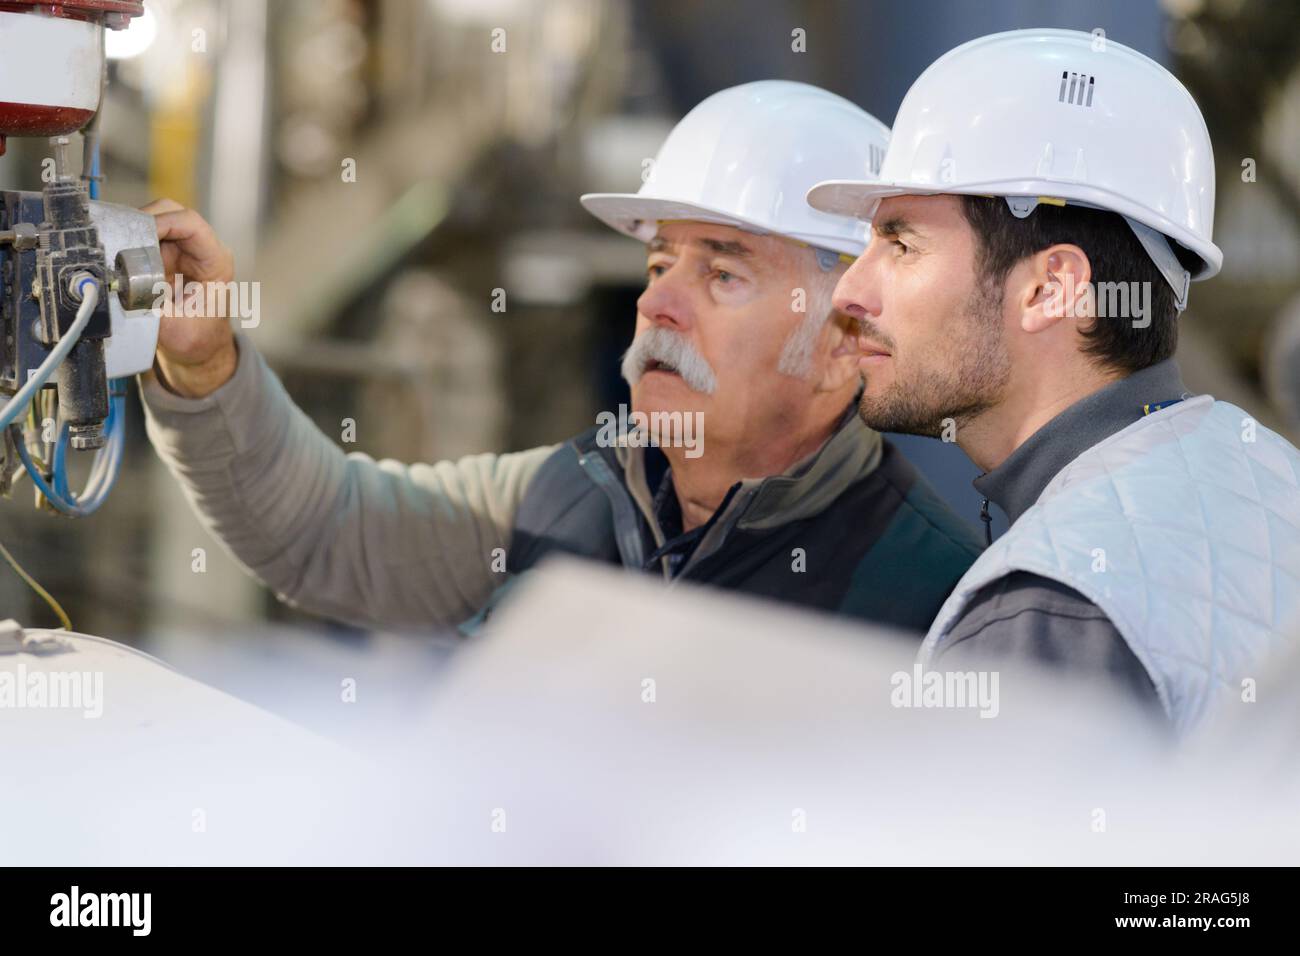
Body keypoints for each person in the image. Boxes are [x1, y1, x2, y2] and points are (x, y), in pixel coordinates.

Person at [142, 80, 983, 636]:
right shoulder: (569, 494)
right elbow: (327, 530)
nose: (657, 304)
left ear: (841, 344)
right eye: (659, 264)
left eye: (722, 274)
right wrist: (206, 368)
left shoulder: (934, 605)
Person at [808, 29, 1300, 733]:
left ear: (1049, 289)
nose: (849, 292)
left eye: (901, 245)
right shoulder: (1270, 473)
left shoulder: (1045, 611)